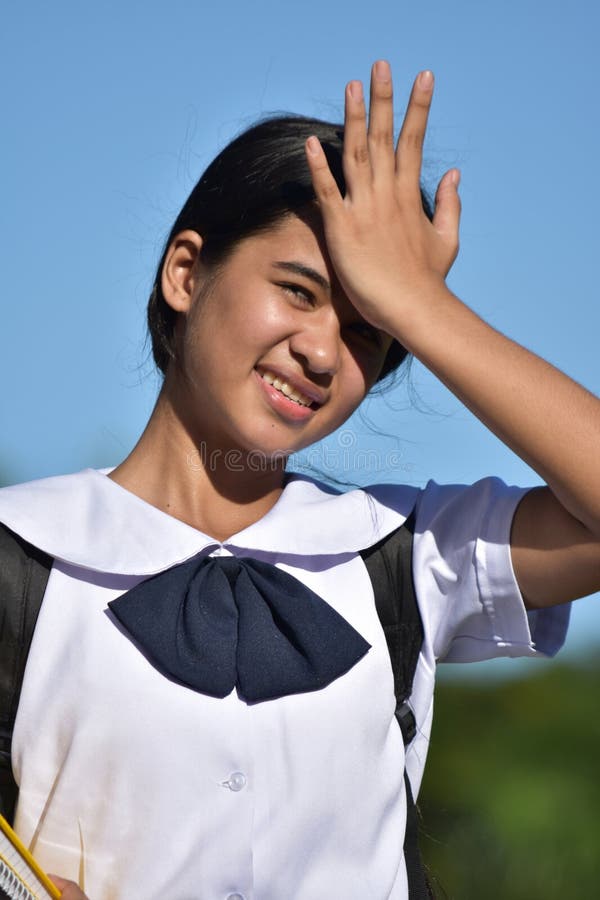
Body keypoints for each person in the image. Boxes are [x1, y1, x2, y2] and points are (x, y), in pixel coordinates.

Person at [0, 60, 598, 900]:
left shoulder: (407, 551)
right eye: (297, 291)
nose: (323, 353)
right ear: (185, 273)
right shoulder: (18, 552)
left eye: (369, 332)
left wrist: (423, 307)